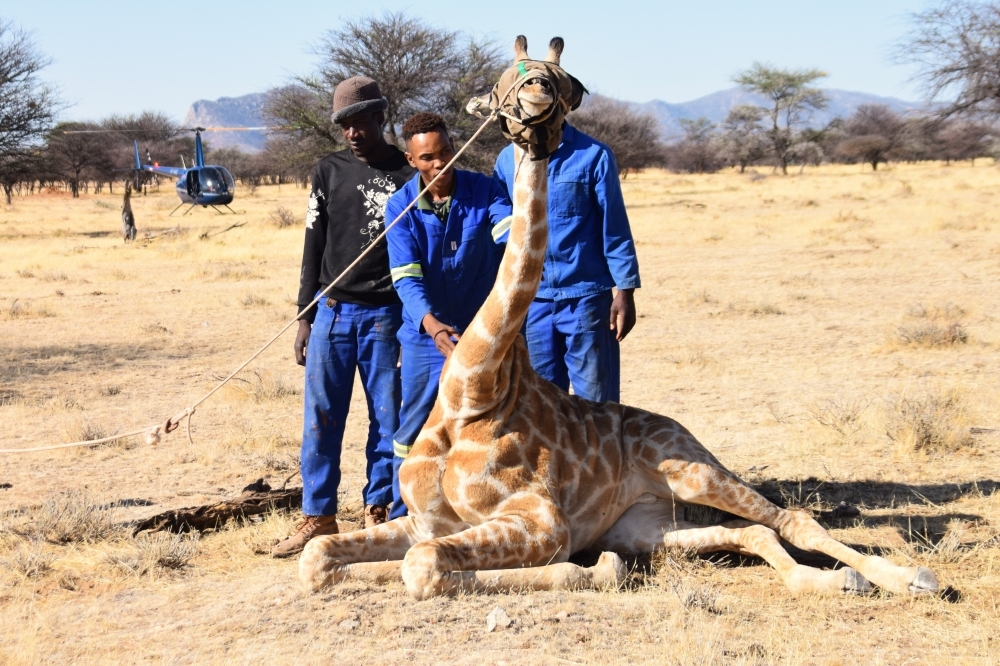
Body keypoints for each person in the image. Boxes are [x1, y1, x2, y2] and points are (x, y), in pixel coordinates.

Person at [273, 77, 416, 557]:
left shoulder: (407, 172)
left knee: (389, 417)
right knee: (320, 416)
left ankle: (384, 510)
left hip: (387, 318)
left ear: (380, 117)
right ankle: (318, 515)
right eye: (344, 124)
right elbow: (313, 244)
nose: (352, 132)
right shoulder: (327, 170)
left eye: (360, 122)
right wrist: (304, 316)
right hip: (331, 314)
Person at [385, 112, 512, 519]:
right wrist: (430, 322)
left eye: (445, 153)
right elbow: (406, 279)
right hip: (426, 336)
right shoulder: (399, 207)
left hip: (482, 332)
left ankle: (486, 504)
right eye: (427, 158)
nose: (439, 164)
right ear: (411, 160)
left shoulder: (486, 191)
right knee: (416, 423)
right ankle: (402, 512)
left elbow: (508, 234)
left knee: (490, 418)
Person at [492, 121, 640, 403]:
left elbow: (615, 226)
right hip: (532, 302)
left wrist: (625, 291)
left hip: (587, 298)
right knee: (540, 404)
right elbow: (498, 209)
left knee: (596, 404)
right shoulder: (508, 158)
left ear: (561, 104)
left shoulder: (594, 154)